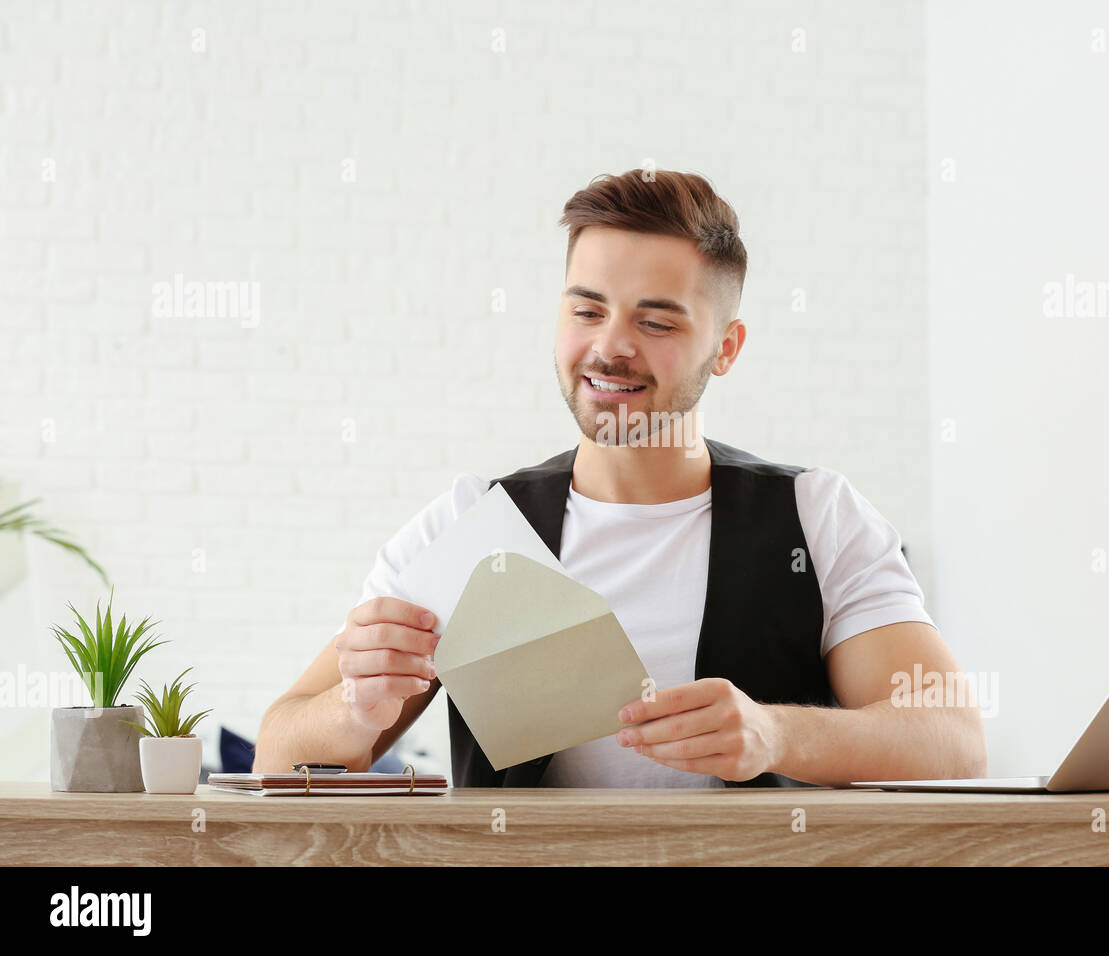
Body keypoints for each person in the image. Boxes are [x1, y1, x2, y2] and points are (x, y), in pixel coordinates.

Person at [254, 169, 987, 788]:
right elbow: (276, 752)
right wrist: (358, 709)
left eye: (657, 323)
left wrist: (776, 734)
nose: (611, 348)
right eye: (588, 309)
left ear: (725, 347)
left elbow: (953, 737)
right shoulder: (470, 528)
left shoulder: (814, 518)